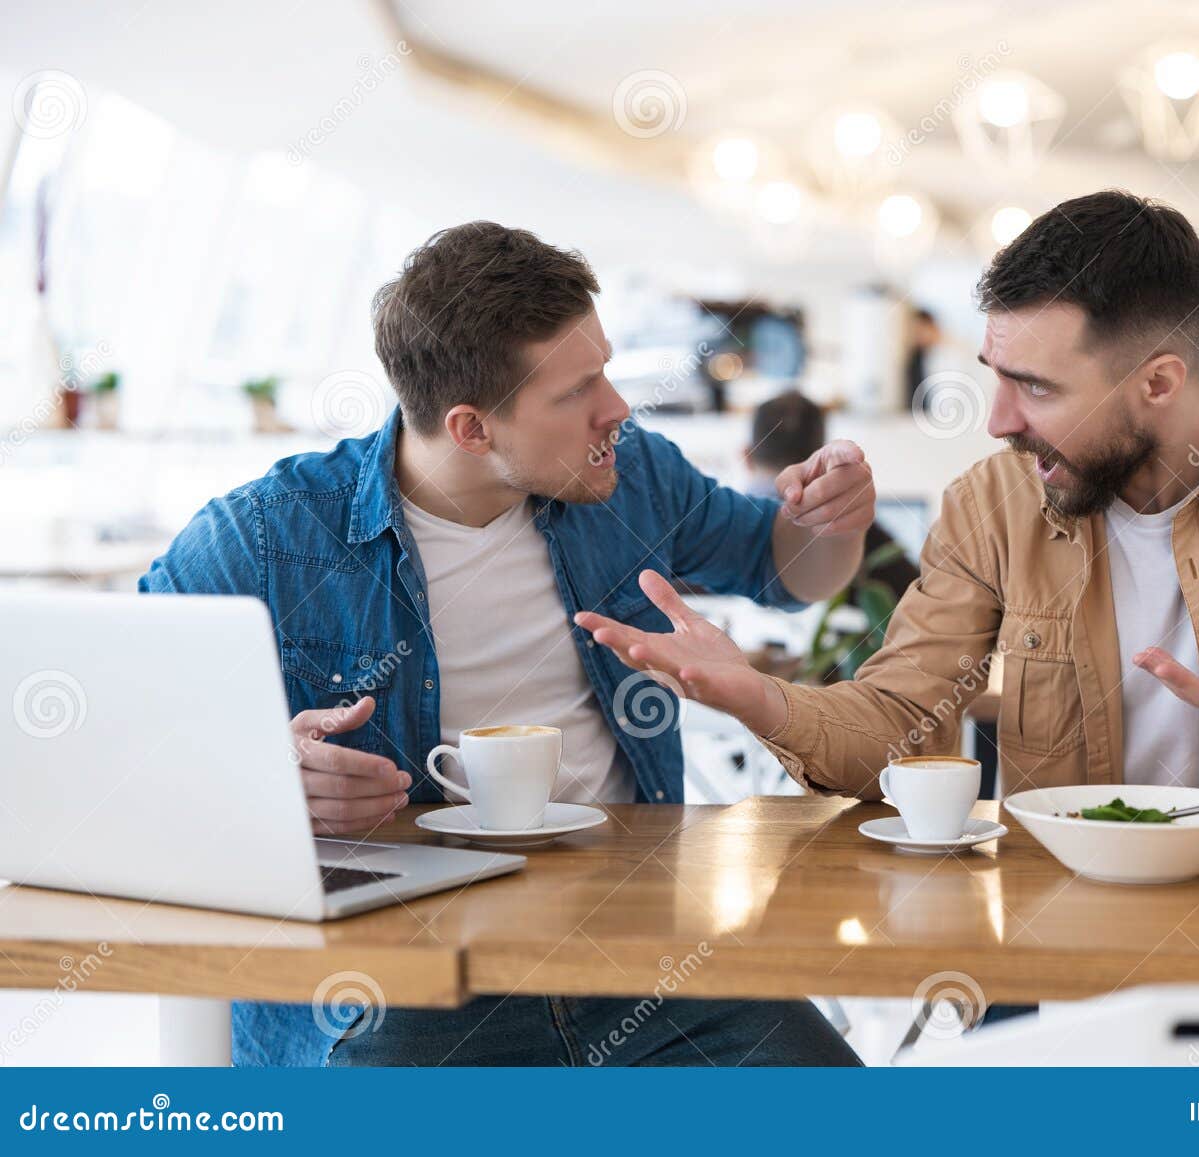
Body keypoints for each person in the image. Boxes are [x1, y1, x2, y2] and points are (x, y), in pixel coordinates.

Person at [141, 222, 871, 1067]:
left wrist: (833, 523)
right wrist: (263, 772)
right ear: (471, 428)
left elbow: (788, 570)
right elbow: (126, 721)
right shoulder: (268, 534)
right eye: (579, 389)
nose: (619, 407)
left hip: (639, 945)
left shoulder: (632, 473)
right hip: (404, 981)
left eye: (606, 366)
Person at [578, 189, 1199, 823]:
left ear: (1159, 382)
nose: (995, 421)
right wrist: (763, 698)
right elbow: (900, 724)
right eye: (995, 375)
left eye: (1035, 387)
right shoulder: (991, 508)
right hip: (1052, 944)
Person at [744, 390, 920, 602]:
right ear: (820, 457)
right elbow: (916, 599)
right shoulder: (858, 532)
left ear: (746, 456)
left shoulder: (716, 529)